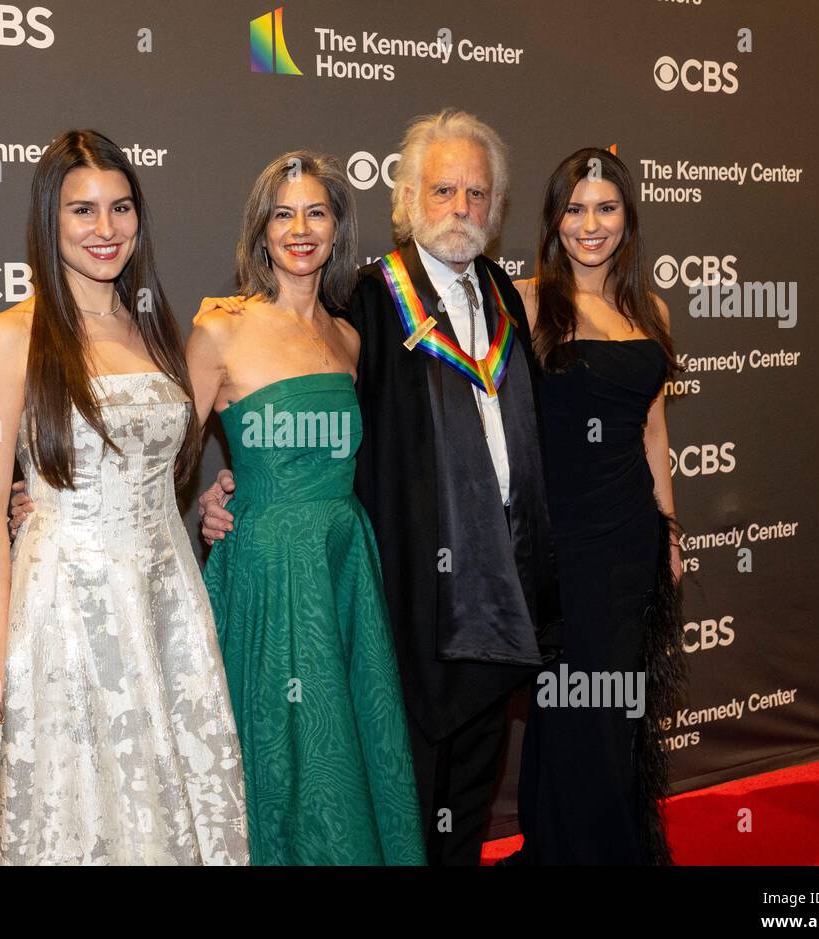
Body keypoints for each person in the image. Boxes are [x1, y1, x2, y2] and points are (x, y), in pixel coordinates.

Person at [14, 151, 425, 865]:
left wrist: (213, 487)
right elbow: (163, 450)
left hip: (341, 558)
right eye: (282, 215)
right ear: (260, 232)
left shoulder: (349, 337)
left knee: (347, 742)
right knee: (282, 750)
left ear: (337, 228)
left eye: (317, 213)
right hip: (268, 568)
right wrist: (62, 497)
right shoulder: (222, 329)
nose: (300, 229)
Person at [200, 110, 561, 866]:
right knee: (403, 784)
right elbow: (303, 415)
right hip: (406, 596)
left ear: (495, 210)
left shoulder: (502, 295)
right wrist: (229, 484)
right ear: (407, 201)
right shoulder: (369, 302)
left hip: (500, 585)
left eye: (474, 193)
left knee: (473, 782)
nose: (459, 208)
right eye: (442, 191)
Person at [0, 129, 248, 865]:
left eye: (121, 208)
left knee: (162, 799)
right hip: (63, 603)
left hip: (166, 595)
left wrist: (216, 496)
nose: (105, 230)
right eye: (82, 211)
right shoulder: (11, 336)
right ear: (50, 219)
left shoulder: (155, 331)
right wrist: (0, 651)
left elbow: (162, 459)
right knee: (75, 806)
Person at [510, 146, 685, 865]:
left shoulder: (652, 308)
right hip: (562, 545)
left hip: (631, 540)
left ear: (627, 217)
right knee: (572, 707)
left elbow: (654, 429)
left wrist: (670, 533)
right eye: (576, 209)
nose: (591, 224)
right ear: (554, 220)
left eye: (606, 208)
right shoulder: (524, 301)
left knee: (619, 712)